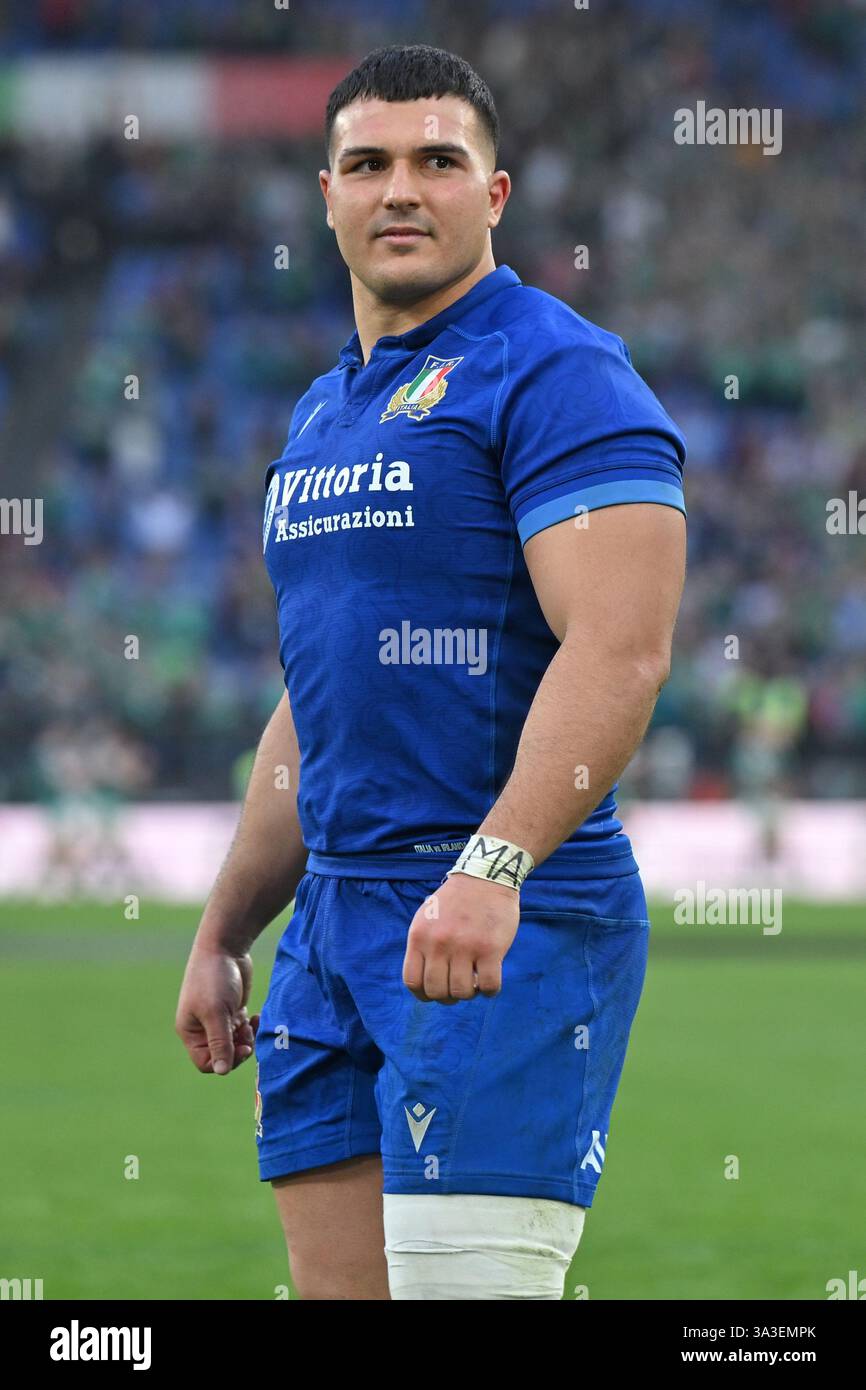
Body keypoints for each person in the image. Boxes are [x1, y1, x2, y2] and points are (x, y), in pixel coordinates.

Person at [176, 42, 687, 1301]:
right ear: (326, 194)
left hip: (504, 918)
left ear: (493, 194)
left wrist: (492, 866)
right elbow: (314, 703)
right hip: (330, 930)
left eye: (435, 161)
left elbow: (618, 647)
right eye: (367, 164)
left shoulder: (558, 370)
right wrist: (225, 927)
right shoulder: (318, 416)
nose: (399, 189)